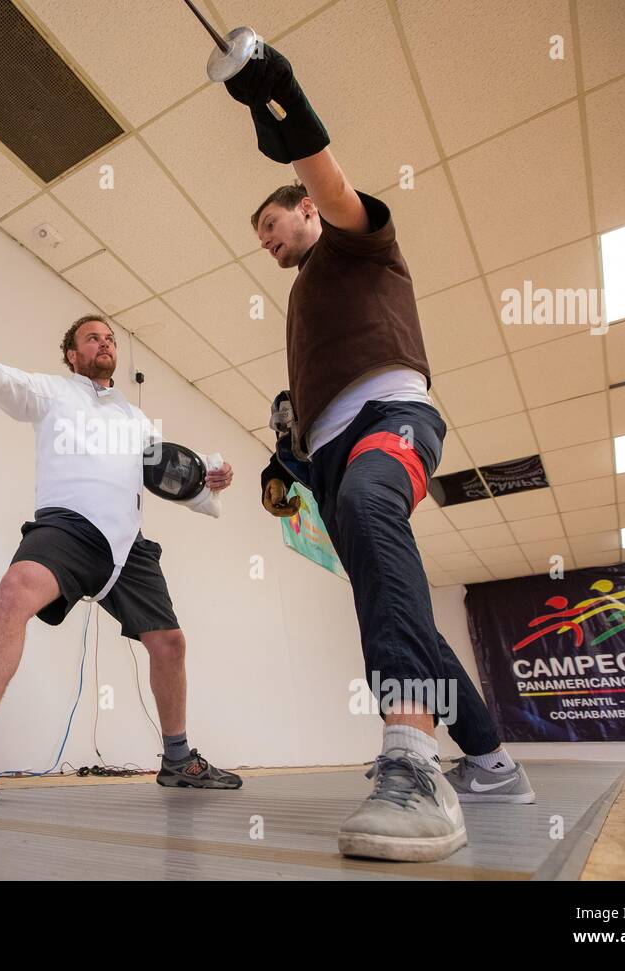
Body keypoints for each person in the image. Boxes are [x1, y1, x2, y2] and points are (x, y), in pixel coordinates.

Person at [224, 43, 534, 862]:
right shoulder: (302, 301)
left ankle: (412, 760)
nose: (266, 240)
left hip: (393, 416)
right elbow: (303, 426)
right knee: (403, 620)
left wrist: (282, 100)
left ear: (306, 213)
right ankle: (495, 765)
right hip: (326, 456)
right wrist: (284, 457)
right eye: (260, 234)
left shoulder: (355, 244)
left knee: (369, 505)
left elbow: (330, 179)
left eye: (271, 224)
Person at [0, 311, 243, 801]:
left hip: (127, 546)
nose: (104, 343)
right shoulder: (53, 392)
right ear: (73, 355)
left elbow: (168, 472)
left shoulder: (133, 418)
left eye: (110, 338)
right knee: (15, 591)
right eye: (92, 338)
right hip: (68, 527)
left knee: (171, 645)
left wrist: (208, 478)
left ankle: (179, 760)